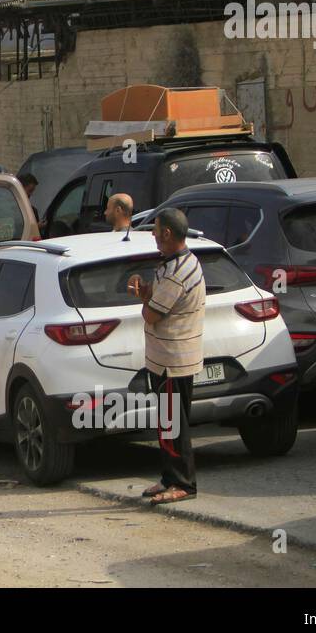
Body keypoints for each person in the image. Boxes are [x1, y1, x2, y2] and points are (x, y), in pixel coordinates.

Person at [127, 207, 205, 505]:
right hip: (166, 359)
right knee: (168, 422)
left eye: (156, 230)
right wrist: (146, 292)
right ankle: (169, 478)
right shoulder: (178, 263)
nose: (153, 235)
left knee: (175, 424)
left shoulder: (177, 272)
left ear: (168, 233)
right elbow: (157, 303)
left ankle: (184, 483)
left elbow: (152, 315)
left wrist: (145, 302)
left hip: (174, 360)